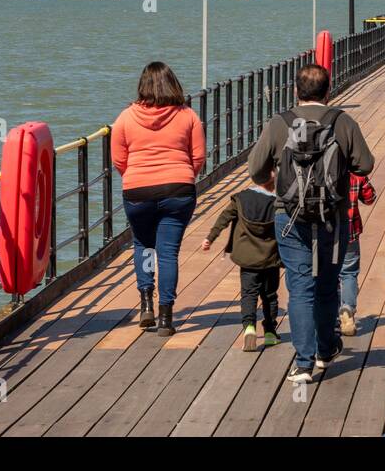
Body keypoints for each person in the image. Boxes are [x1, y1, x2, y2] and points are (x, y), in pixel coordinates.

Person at [248, 62, 374, 383]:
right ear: (328, 91)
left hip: (289, 218)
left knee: (300, 287)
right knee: (327, 284)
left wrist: (270, 181)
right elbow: (365, 164)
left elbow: (255, 167)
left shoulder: (281, 123)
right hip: (333, 217)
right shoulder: (342, 122)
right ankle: (326, 348)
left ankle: (303, 363)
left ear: (295, 91)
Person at [112, 61, 206, 337]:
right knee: (168, 252)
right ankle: (166, 317)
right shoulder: (188, 116)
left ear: (142, 86)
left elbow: (119, 160)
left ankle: (145, 306)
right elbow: (198, 157)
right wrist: (184, 175)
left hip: (137, 191)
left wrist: (135, 177)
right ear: (172, 84)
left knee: (144, 245)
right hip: (178, 190)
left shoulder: (125, 118)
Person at [202, 182, 282, 351]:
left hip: (247, 258)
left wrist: (211, 237)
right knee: (270, 295)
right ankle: (270, 332)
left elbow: (224, 217)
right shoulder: (280, 201)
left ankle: (249, 328)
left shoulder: (241, 198)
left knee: (248, 294)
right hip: (271, 257)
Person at [338, 172, 377, 337]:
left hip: (326, 233)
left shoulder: (322, 168)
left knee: (328, 274)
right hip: (350, 233)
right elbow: (370, 198)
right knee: (349, 273)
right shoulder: (355, 174)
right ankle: (347, 308)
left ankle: (331, 315)